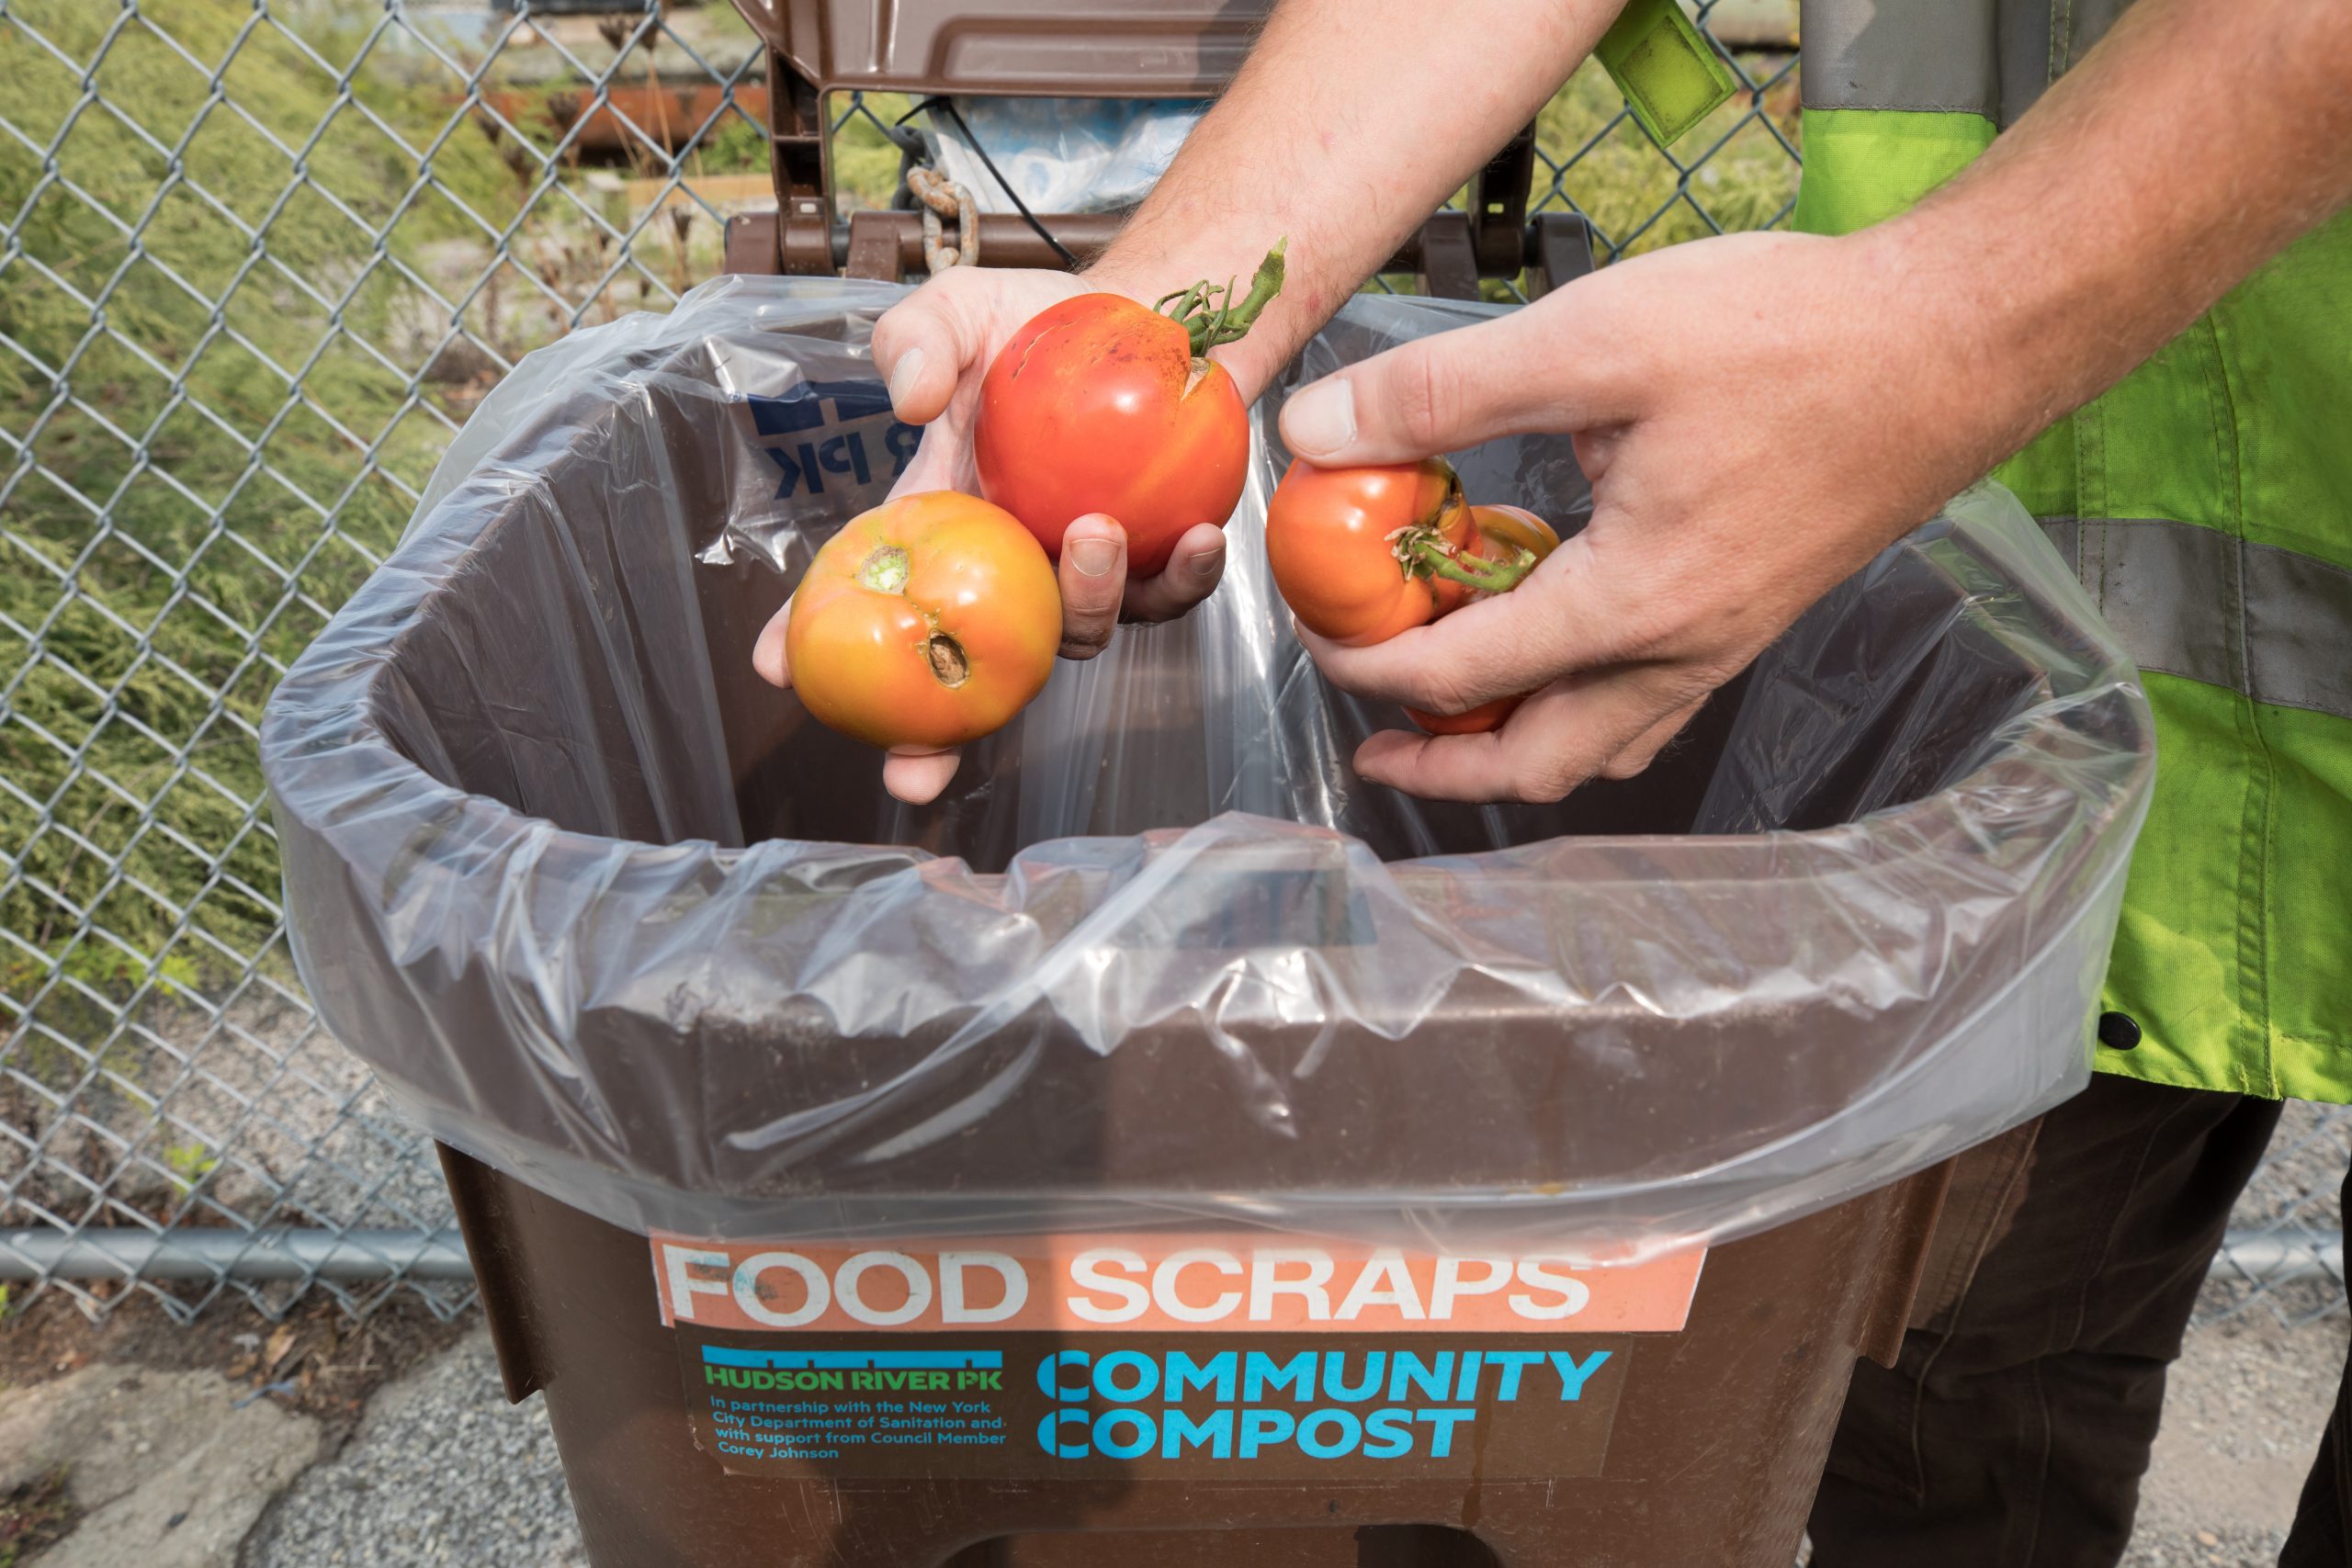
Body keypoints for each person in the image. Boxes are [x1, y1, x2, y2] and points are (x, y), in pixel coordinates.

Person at [754, 0, 2352, 1558]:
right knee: (1952, 1390)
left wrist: (1938, 343)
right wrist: (1152, 317)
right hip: (2053, 763)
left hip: (2023, 561)